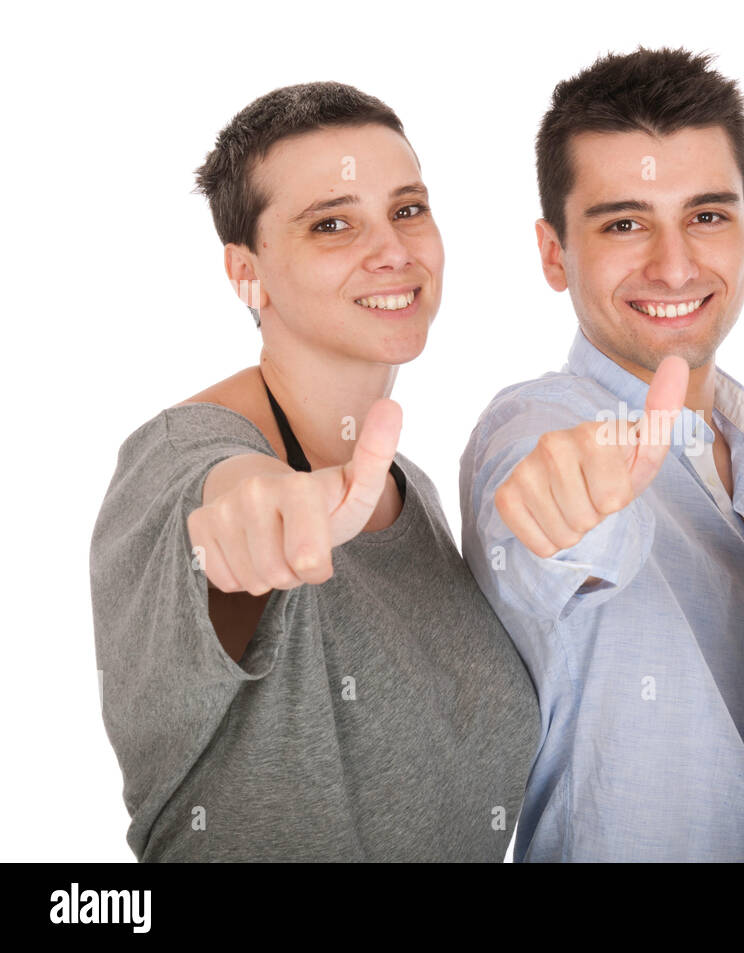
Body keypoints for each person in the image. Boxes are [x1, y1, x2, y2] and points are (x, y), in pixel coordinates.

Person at [89, 82, 538, 861]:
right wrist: (240, 528)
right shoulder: (178, 456)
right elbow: (221, 506)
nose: (393, 250)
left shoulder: (413, 491)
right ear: (246, 271)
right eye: (332, 223)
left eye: (407, 208)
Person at [460, 48, 744, 862]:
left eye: (706, 215)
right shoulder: (536, 424)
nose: (674, 263)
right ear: (555, 254)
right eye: (624, 222)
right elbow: (542, 518)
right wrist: (566, 511)